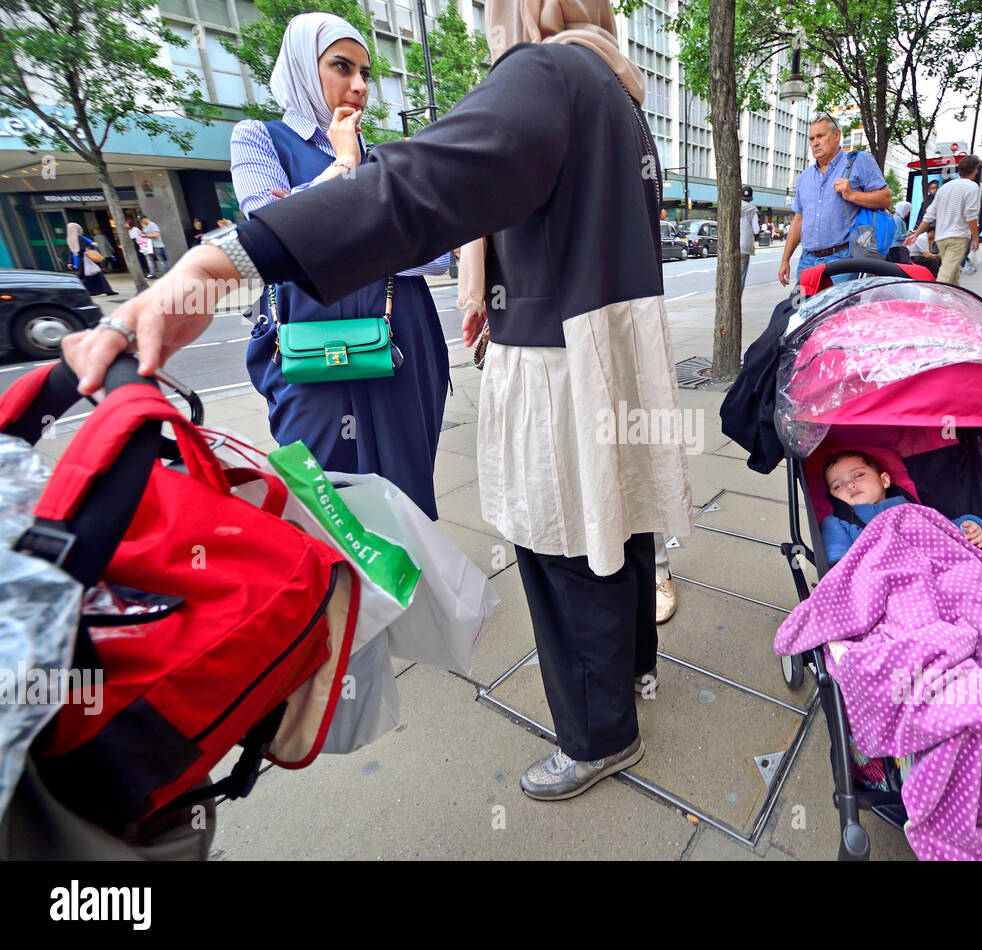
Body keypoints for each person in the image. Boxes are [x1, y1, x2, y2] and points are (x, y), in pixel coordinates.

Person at [64, 0, 696, 803]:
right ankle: (633, 675)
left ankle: (598, 734)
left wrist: (214, 265)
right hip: (615, 349)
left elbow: (413, 189)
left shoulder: (544, 73)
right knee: (615, 526)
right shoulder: (618, 90)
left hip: (557, 358)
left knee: (561, 542)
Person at [224, 12, 452, 521]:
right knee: (324, 494)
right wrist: (345, 168)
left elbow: (438, 253)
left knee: (408, 492)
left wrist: (328, 225)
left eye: (366, 73)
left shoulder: (391, 158)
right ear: (306, 67)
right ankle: (341, 597)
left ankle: (413, 594)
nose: (358, 86)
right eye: (342, 67)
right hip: (312, 346)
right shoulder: (259, 137)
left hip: (401, 339)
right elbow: (274, 228)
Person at [777, 116, 890, 287]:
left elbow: (885, 198)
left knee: (838, 311)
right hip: (807, 261)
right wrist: (785, 260)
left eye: (820, 136)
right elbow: (798, 220)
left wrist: (852, 194)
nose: (815, 143)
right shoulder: (805, 176)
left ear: (836, 135)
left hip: (842, 260)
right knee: (803, 311)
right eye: (812, 138)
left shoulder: (859, 161)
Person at [820, 451, 982, 566]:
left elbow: (944, 527)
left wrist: (969, 527)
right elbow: (838, 564)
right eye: (838, 485)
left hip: (935, 565)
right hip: (882, 578)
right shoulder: (837, 523)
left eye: (858, 475)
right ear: (833, 497)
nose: (850, 485)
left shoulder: (909, 507)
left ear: (884, 480)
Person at [903, 155, 982, 285]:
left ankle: (954, 299)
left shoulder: (944, 188)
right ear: (974, 169)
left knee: (953, 272)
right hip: (958, 236)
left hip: (941, 237)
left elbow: (929, 214)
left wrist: (916, 234)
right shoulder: (972, 187)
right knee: (946, 274)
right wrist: (976, 238)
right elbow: (971, 215)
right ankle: (935, 299)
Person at [65, 222, 115, 297]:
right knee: (93, 275)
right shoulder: (80, 238)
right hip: (86, 259)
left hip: (80, 260)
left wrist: (70, 262)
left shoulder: (70, 239)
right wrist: (92, 245)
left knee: (88, 276)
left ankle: (93, 291)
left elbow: (70, 251)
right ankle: (105, 290)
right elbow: (84, 249)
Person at [739, 184, 759, 288]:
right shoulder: (753, 210)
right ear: (750, 198)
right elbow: (756, 230)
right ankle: (738, 298)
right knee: (741, 276)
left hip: (733, 245)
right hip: (745, 246)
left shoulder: (734, 207)